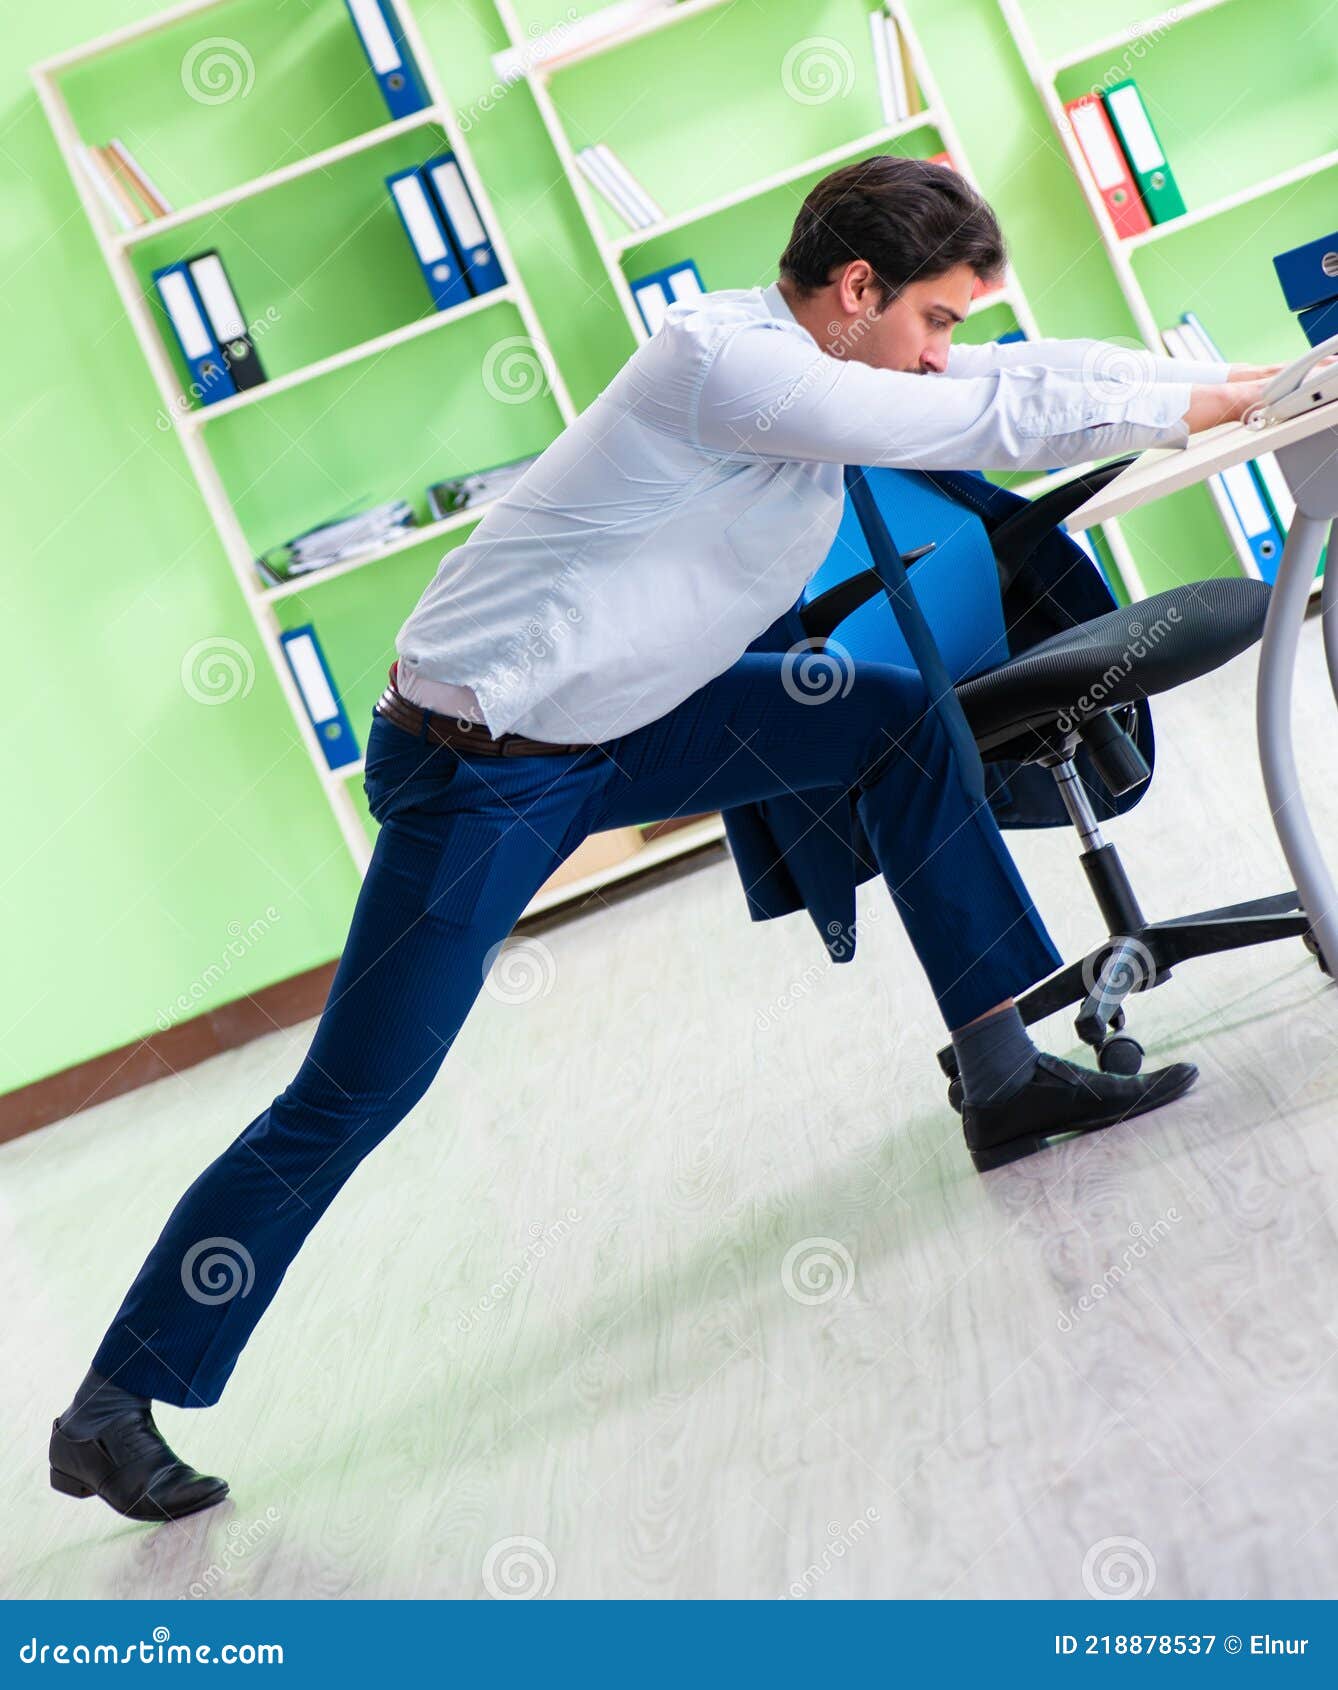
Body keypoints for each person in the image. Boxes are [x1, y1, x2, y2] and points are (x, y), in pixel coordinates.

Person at [49, 155, 1284, 1522]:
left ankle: (1001, 1078)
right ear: (855, 290)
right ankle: (113, 1403)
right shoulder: (725, 361)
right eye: (931, 319)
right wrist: (1209, 398)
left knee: (889, 721)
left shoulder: (837, 361)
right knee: (359, 1088)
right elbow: (998, 404)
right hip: (485, 767)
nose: (944, 351)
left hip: (631, 714)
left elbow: (1017, 368)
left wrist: (1235, 387)